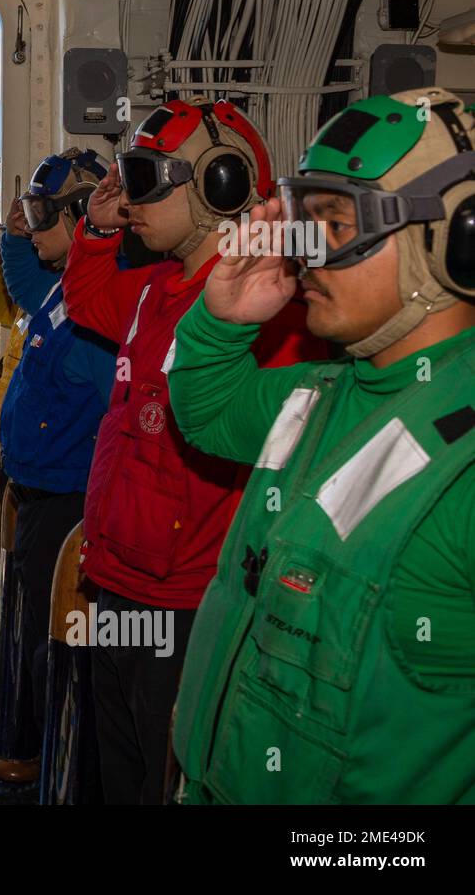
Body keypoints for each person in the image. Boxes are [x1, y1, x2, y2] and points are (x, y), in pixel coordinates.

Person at [170, 87, 475, 804]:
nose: (305, 255)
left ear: (454, 237)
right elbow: (207, 413)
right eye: (304, 225)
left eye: (334, 225)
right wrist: (222, 318)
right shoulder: (322, 393)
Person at [61, 98, 327, 804]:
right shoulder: (154, 289)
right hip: (115, 581)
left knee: (169, 780)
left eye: (146, 178)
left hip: (188, 603)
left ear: (221, 185)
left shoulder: (276, 321)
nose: (131, 196)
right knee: (118, 774)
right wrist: (94, 227)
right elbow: (85, 301)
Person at [0, 149, 118, 798]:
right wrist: (16, 235)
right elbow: (23, 285)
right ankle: (41, 759)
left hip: (70, 508)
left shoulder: (98, 313)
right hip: (38, 496)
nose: (34, 224)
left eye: (44, 214)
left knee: (55, 654)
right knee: (37, 638)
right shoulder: (64, 289)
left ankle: (53, 767)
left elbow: (119, 418)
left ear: (79, 216)